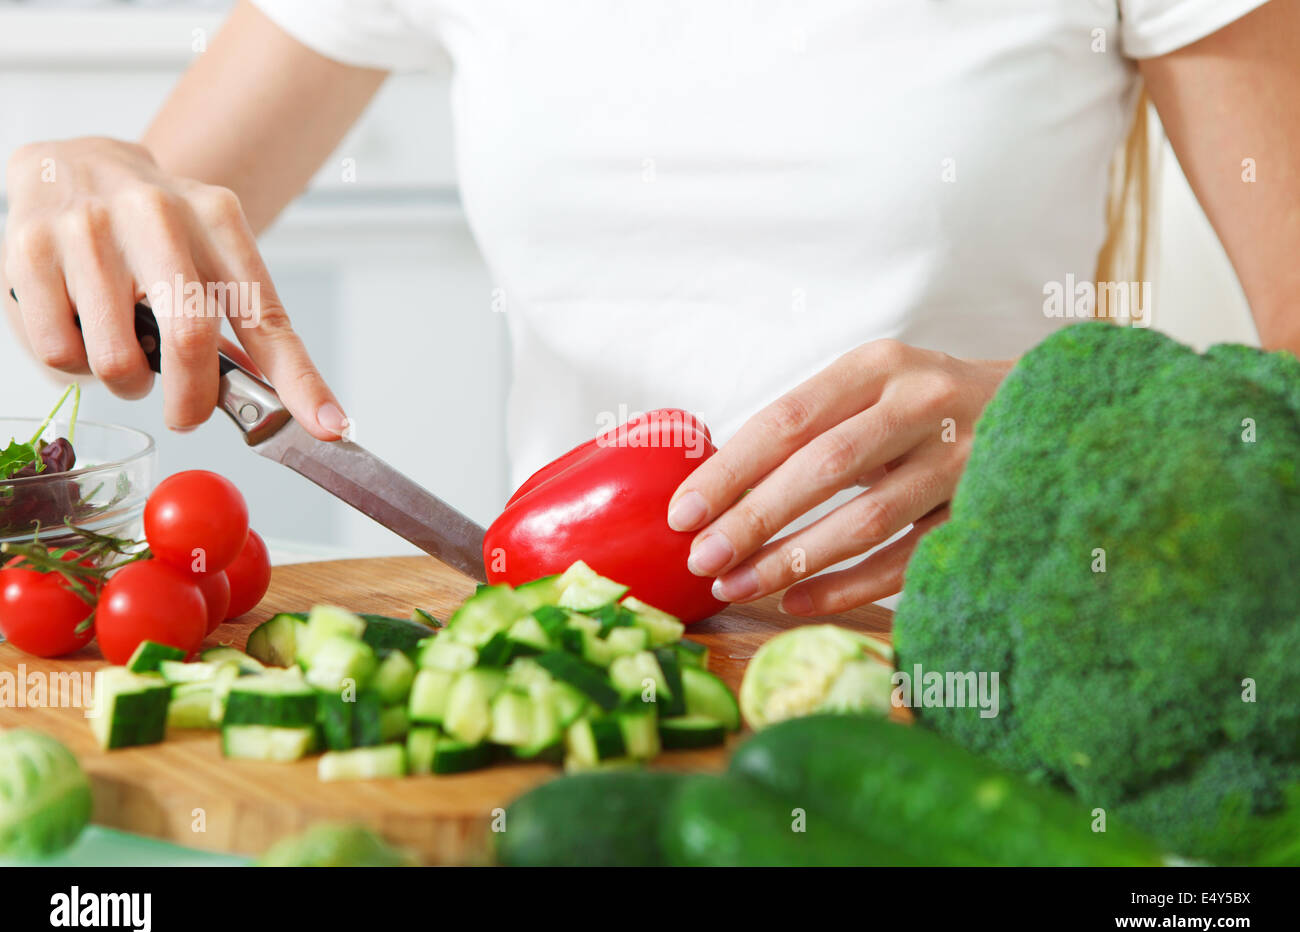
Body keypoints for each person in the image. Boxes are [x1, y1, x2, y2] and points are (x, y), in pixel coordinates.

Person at [3, 1, 1296, 617]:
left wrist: (1072, 435)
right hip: (578, 698)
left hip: (986, 671)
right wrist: (67, 181)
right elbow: (122, 250)